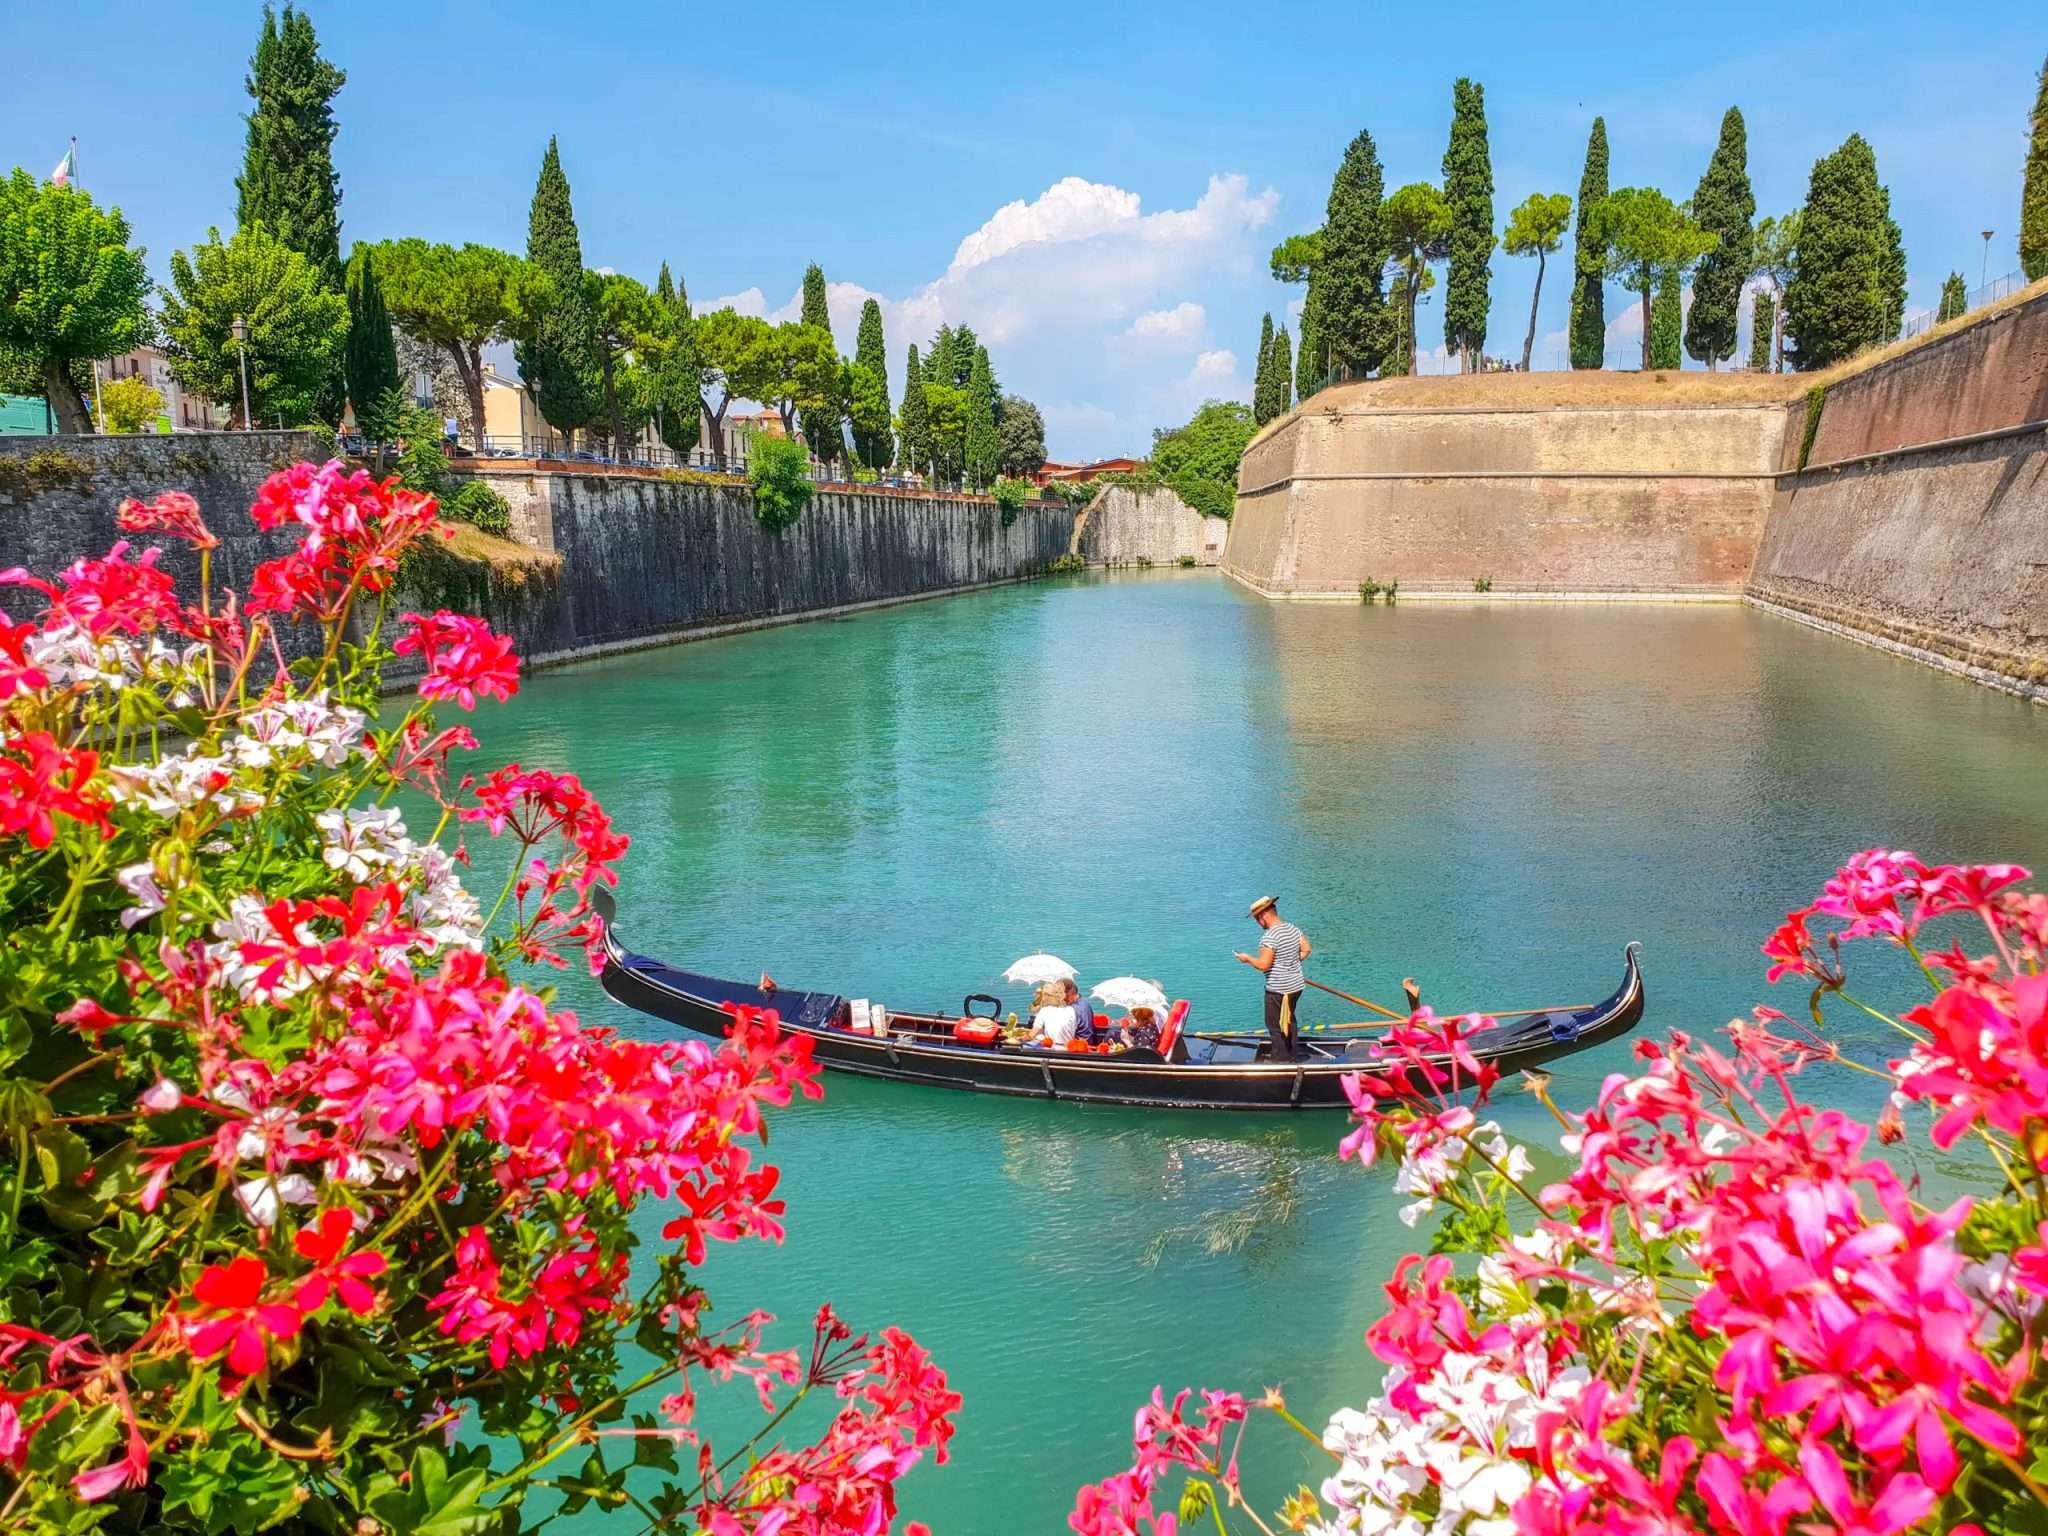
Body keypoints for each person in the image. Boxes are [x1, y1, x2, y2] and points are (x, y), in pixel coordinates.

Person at [1235, 895, 1310, 1062]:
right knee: (1289, 1020)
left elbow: (1263, 965)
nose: (1258, 923)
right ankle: (1293, 1053)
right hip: (1296, 986)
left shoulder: (1269, 937)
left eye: (1257, 919)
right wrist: (1289, 961)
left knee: (1275, 1025)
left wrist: (1247, 959)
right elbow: (1306, 949)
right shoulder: (1292, 928)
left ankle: (1280, 1060)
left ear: (1264, 915)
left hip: (1278, 990)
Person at [1062, 979, 1096, 1045]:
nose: (1064, 1001)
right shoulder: (1085, 1002)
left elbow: (1067, 1029)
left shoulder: (1073, 1009)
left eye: (1065, 999)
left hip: (1079, 1043)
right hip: (1089, 1040)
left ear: (1070, 994)